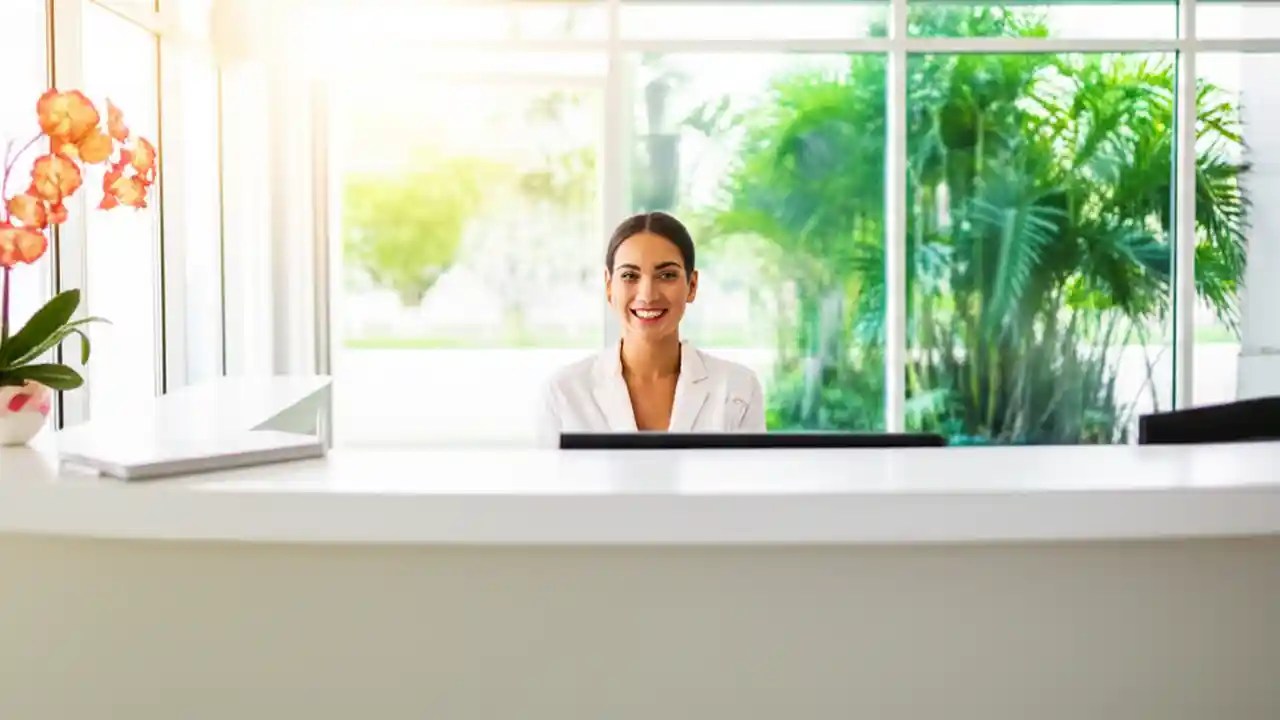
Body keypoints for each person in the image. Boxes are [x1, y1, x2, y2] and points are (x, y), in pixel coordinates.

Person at [536, 211, 766, 444]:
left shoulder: (737, 389)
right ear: (608, 286)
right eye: (629, 276)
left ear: (692, 285)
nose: (647, 295)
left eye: (666, 275)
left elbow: (751, 480)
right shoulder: (565, 392)